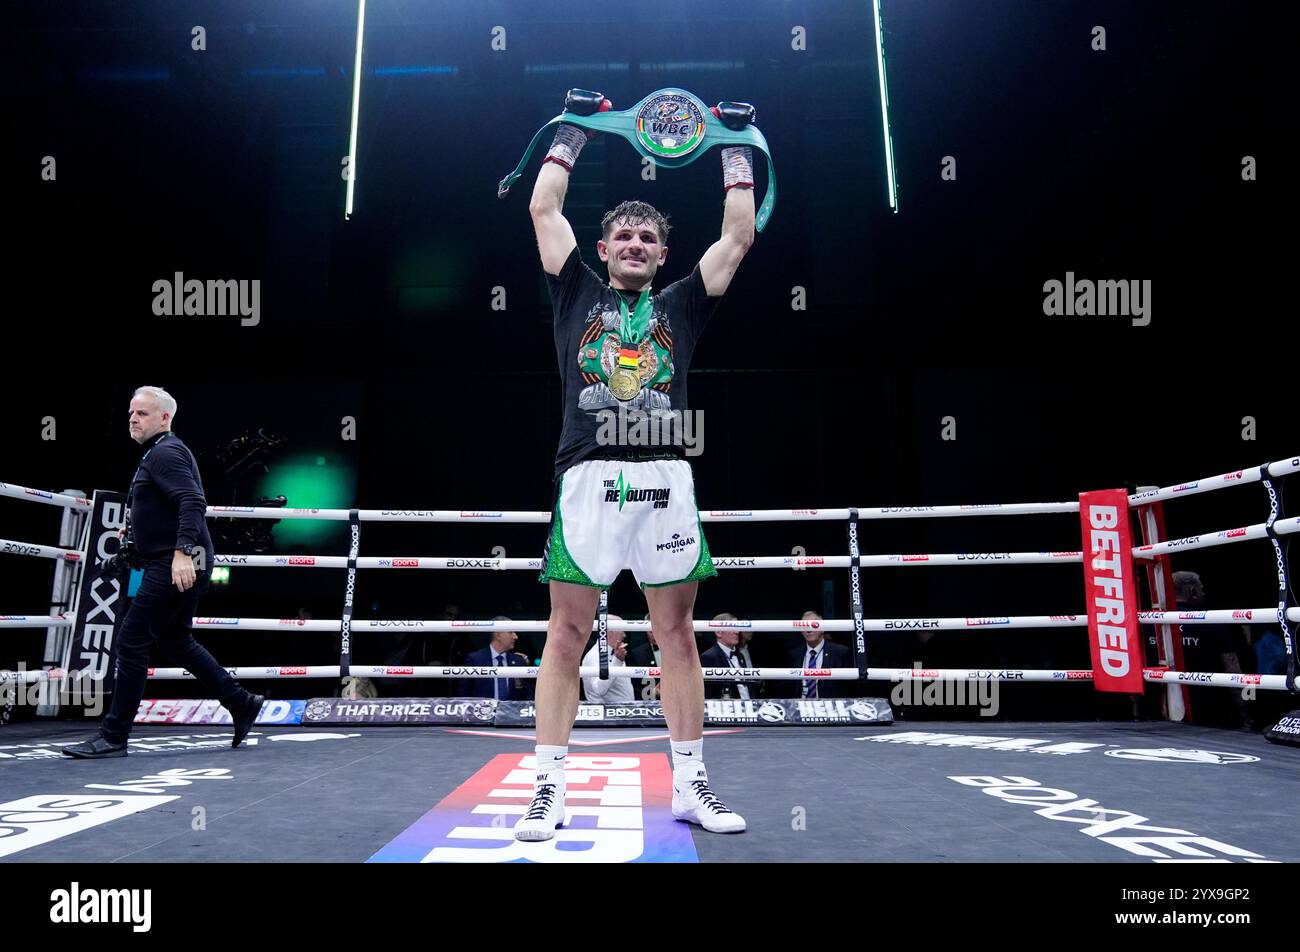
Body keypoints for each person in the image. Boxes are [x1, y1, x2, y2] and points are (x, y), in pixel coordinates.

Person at [515, 90, 755, 840]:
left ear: (660, 254)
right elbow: (542, 210)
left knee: (677, 635)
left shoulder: (683, 303)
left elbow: (739, 236)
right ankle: (547, 789)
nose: (633, 243)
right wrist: (572, 129)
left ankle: (691, 784)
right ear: (606, 243)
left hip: (665, 480)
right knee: (565, 633)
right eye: (622, 234)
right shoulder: (574, 289)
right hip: (587, 475)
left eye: (645, 237)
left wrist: (736, 146)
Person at [63, 387, 262, 758]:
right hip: (176, 559)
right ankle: (241, 702)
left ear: (164, 417)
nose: (133, 419)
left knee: (131, 640)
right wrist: (138, 534)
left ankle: (114, 735)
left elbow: (192, 501)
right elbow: (168, 508)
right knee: (175, 641)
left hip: (177, 562)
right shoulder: (160, 452)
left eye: (142, 413)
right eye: (130, 413)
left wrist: (183, 552)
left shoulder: (166, 452)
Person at [462, 618, 534, 700]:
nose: (516, 637)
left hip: (512, 712)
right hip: (482, 711)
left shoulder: (518, 661)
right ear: (498, 635)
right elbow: (464, 693)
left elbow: (528, 693)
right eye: (511, 632)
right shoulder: (475, 659)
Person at [791, 611, 854, 699]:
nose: (808, 630)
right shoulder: (795, 654)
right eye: (804, 626)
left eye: (813, 625)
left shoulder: (840, 652)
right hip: (800, 707)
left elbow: (849, 687)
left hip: (831, 708)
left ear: (822, 628)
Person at [700, 614, 760, 700]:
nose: (737, 632)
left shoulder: (740, 655)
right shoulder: (709, 657)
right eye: (732, 627)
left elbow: (746, 687)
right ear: (719, 632)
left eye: (737, 627)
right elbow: (708, 692)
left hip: (749, 708)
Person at [581, 615, 635, 704]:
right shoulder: (595, 655)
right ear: (611, 632)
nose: (624, 635)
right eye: (622, 630)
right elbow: (599, 689)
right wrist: (617, 661)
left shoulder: (616, 652)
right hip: (607, 715)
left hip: (621, 712)